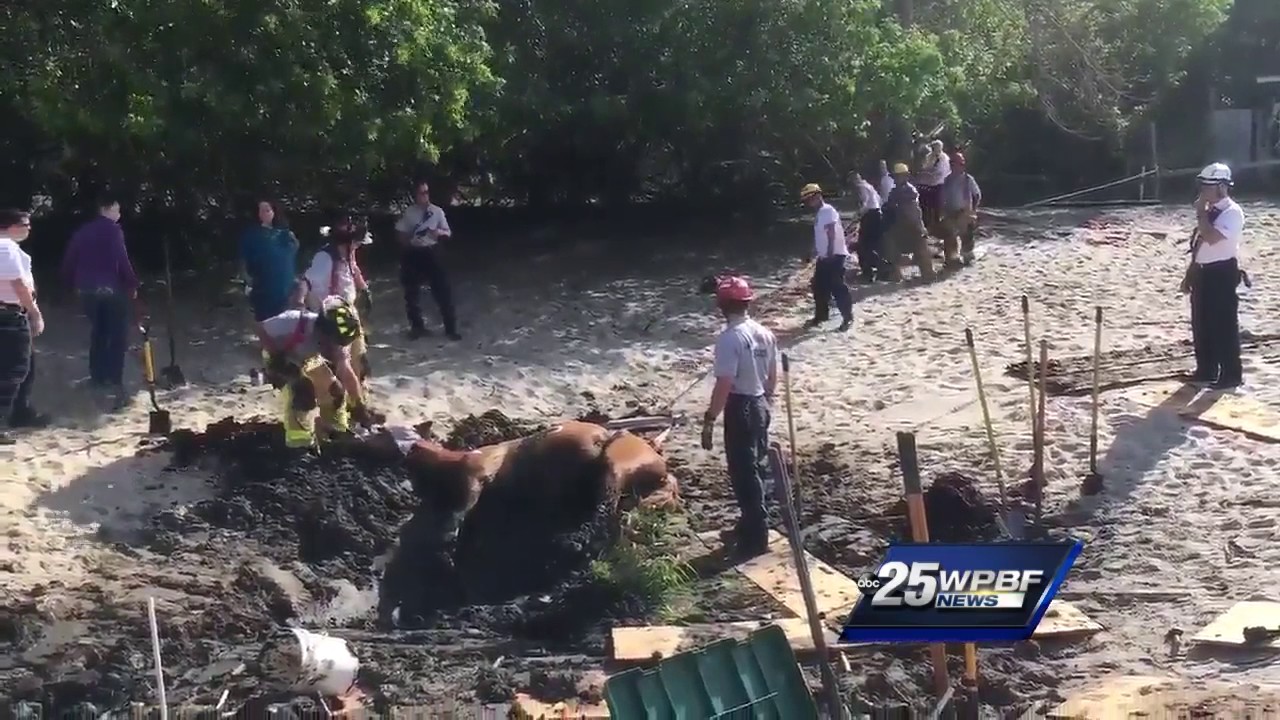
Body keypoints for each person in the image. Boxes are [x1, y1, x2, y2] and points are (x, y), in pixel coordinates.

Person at [699, 276, 778, 558]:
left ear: (722, 305)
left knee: (744, 474)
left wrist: (710, 418)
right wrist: (765, 402)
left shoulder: (729, 339)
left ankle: (756, 539)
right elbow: (772, 377)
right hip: (760, 404)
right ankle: (750, 525)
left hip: (741, 406)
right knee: (758, 466)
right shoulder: (765, 333)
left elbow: (725, 384)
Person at [257, 296, 374, 448]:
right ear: (322, 329)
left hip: (309, 359)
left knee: (335, 390)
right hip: (280, 359)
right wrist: (275, 355)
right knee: (301, 391)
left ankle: (335, 430)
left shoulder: (337, 342)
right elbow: (260, 328)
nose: (335, 347)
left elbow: (346, 372)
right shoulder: (294, 322)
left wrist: (359, 406)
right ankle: (298, 443)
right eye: (332, 342)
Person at [61, 193, 139, 400]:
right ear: (108, 209)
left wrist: (69, 282)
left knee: (99, 331)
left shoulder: (83, 231)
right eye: (117, 210)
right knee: (117, 334)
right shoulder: (113, 231)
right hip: (110, 288)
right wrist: (131, 282)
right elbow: (121, 258)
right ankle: (113, 379)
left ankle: (97, 376)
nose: (119, 214)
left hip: (86, 289)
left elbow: (70, 257)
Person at [1183, 162, 1245, 389]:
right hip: (1204, 271)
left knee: (1223, 324)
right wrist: (1192, 269)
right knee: (1201, 322)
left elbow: (1212, 237)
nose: (1203, 191)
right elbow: (1199, 243)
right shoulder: (1211, 212)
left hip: (1222, 271)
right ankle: (1206, 369)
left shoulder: (1232, 212)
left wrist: (1201, 213)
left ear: (1221, 187)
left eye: (1208, 186)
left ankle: (1231, 373)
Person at [298, 216, 372, 381]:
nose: (358, 246)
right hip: (331, 318)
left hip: (347, 313)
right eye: (357, 243)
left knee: (358, 357)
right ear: (347, 242)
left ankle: (358, 391)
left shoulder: (347, 256)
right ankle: (350, 398)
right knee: (339, 362)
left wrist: (364, 289)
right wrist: (299, 302)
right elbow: (306, 281)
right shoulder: (325, 259)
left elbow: (354, 271)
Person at [0, 210, 46, 443]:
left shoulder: (9, 248)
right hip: (8, 314)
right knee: (13, 370)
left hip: (11, 313)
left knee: (24, 365)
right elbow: (17, 284)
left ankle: (21, 411)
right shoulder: (5, 247)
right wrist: (34, 312)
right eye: (24, 225)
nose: (29, 229)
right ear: (9, 227)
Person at [396, 180, 460, 341]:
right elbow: (400, 233)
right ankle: (417, 327)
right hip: (414, 253)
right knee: (411, 292)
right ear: (416, 195)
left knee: (442, 290)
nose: (425, 196)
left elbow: (448, 232)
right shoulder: (410, 213)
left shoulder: (437, 212)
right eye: (422, 193)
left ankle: (450, 328)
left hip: (432, 252)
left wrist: (437, 233)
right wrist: (408, 241)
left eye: (427, 192)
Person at [799, 183, 853, 332]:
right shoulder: (820, 214)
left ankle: (847, 318)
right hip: (825, 257)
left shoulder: (828, 211)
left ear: (817, 196)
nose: (809, 203)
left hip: (834, 256)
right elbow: (819, 237)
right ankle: (821, 316)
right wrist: (811, 253)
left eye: (810, 199)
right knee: (818, 286)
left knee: (837, 287)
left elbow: (831, 233)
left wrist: (829, 252)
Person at [239, 199, 299, 323]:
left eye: (267, 210)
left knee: (285, 324)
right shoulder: (252, 235)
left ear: (273, 212)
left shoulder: (284, 233)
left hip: (285, 287)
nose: (265, 213)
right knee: (266, 324)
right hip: (263, 287)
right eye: (261, 210)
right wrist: (246, 278)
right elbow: (243, 259)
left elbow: (293, 251)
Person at [884, 163, 936, 282]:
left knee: (921, 249)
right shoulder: (894, 192)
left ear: (906, 176)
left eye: (900, 176)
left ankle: (928, 274)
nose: (898, 179)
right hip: (899, 225)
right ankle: (896, 274)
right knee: (891, 247)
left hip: (912, 223)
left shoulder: (909, 191)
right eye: (896, 177)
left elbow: (912, 210)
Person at [938, 152, 982, 267]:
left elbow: (977, 195)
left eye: (957, 164)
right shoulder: (947, 180)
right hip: (950, 212)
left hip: (965, 211)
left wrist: (973, 210)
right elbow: (943, 198)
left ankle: (967, 257)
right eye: (952, 164)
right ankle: (952, 258)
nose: (954, 167)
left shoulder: (968, 179)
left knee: (966, 234)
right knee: (949, 234)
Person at [850, 172, 885, 282]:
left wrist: (857, 216)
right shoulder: (869, 186)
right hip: (877, 214)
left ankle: (868, 273)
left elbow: (864, 204)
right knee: (874, 245)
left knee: (864, 246)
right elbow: (879, 200)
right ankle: (880, 269)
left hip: (870, 216)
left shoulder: (861, 187)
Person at [916, 140, 951, 233]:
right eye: (934, 148)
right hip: (927, 183)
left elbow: (943, 171)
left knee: (937, 205)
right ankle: (926, 224)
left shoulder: (944, 158)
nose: (936, 150)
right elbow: (924, 168)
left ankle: (937, 225)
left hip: (939, 183)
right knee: (924, 203)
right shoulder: (929, 157)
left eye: (937, 148)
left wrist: (931, 171)